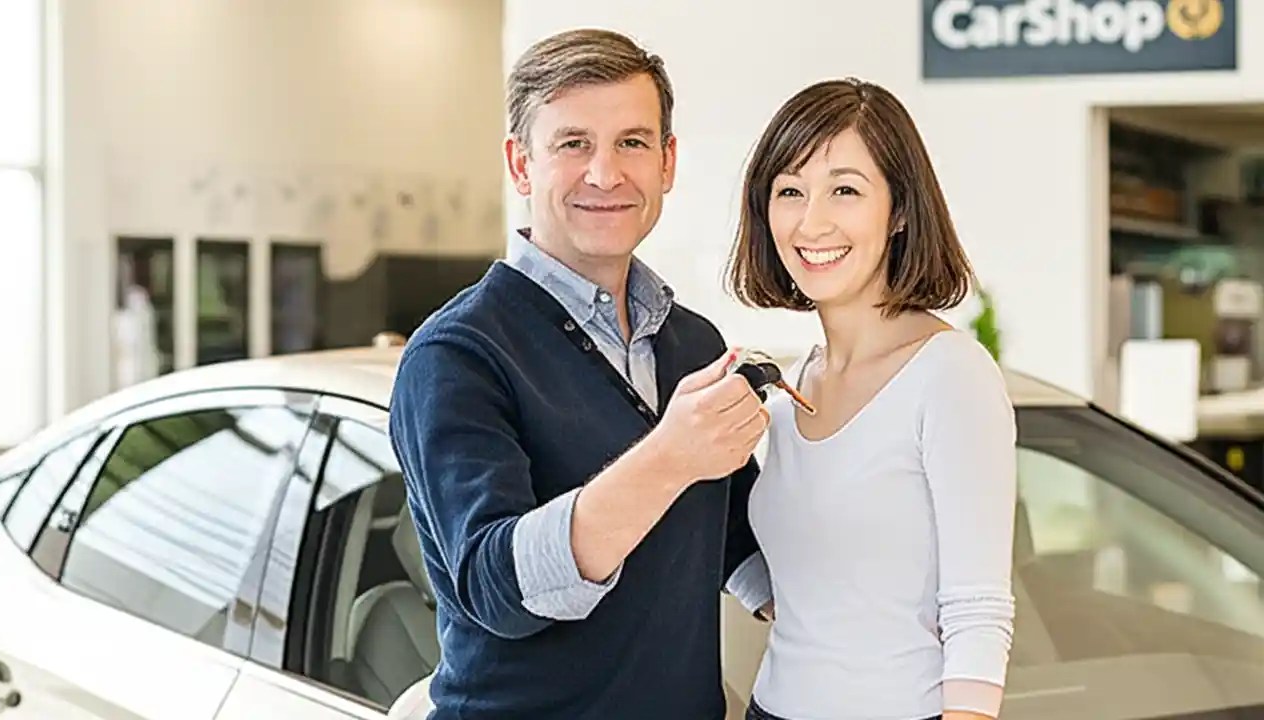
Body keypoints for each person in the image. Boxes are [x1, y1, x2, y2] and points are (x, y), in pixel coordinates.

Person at [388, 28, 773, 720]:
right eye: (573, 144)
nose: (605, 174)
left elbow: (735, 539)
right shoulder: (456, 355)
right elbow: (500, 589)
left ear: (667, 162)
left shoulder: (693, 343)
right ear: (520, 164)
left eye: (632, 142)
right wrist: (668, 456)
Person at [725, 78, 1017, 720]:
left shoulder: (950, 374)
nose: (812, 222)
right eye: (790, 191)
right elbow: (801, 577)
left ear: (900, 210)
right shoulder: (792, 387)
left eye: (845, 190)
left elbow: (978, 614)